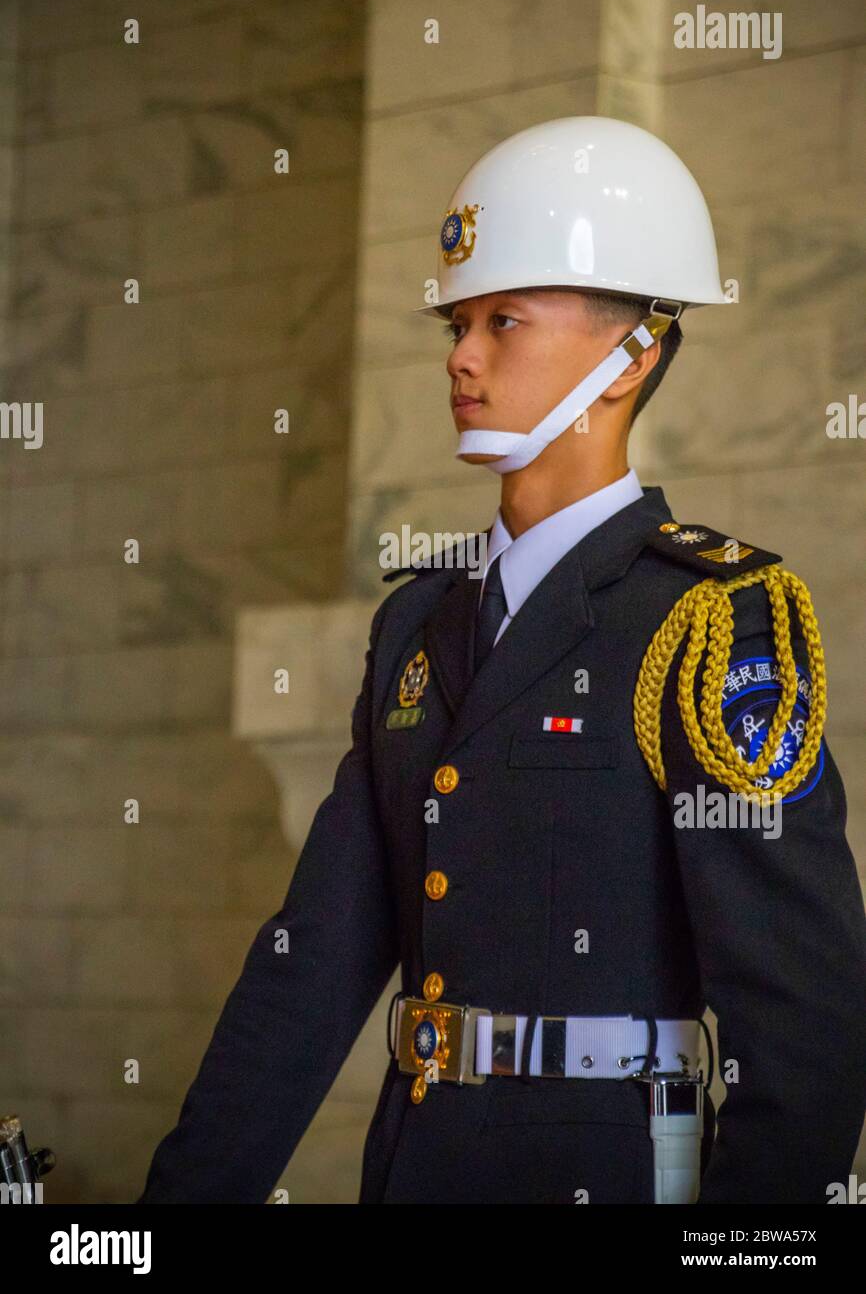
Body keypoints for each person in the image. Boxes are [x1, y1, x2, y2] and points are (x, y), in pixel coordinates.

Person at [138, 116, 866, 1204]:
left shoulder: (714, 620)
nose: (460, 355)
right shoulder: (418, 626)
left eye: (503, 320)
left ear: (632, 358)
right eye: (456, 321)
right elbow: (310, 967)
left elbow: (802, 1020)